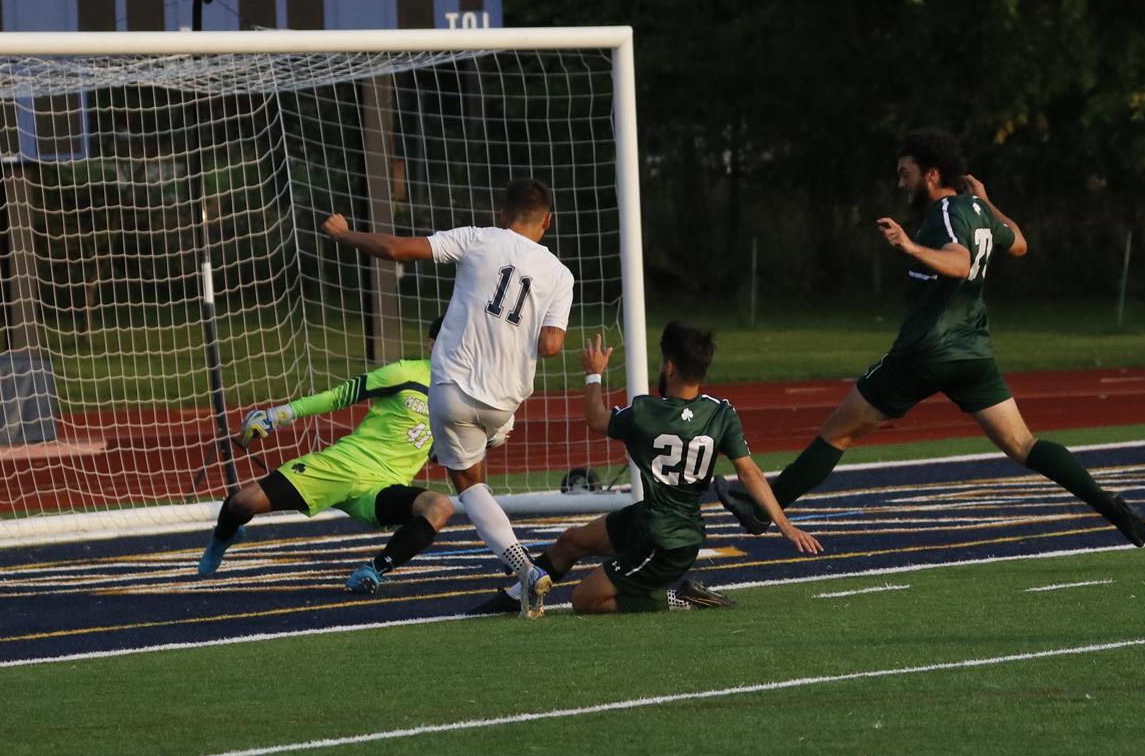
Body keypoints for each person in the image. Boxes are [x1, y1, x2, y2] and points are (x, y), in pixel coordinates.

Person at [714, 130, 1145, 546]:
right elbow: (1019, 244)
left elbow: (959, 263)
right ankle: (1106, 504)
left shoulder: (944, 213)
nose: (900, 183)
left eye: (906, 173)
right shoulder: (977, 210)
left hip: (926, 351)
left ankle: (760, 510)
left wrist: (909, 247)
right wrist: (988, 201)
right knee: (1023, 445)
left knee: (837, 433)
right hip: (973, 354)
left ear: (932, 173)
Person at [322, 177, 573, 618]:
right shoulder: (560, 274)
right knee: (481, 446)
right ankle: (487, 439)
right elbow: (551, 345)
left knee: (468, 485)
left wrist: (345, 235)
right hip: (504, 400)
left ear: (502, 214)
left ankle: (525, 569)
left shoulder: (477, 238)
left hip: (453, 391)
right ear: (547, 222)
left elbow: (395, 249)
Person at [472, 322, 820, 617]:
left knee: (585, 600)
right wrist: (785, 526)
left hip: (666, 540)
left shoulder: (646, 413)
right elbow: (750, 473)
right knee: (572, 540)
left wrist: (593, 373)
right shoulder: (721, 413)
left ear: (669, 367)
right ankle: (519, 593)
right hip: (657, 519)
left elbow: (595, 419)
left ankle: (680, 598)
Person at [198, 318, 458, 593]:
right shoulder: (405, 372)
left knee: (440, 506)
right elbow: (339, 396)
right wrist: (277, 415)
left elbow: (448, 451)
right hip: (341, 465)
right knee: (242, 502)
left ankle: (373, 571)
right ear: (431, 345)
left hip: (383, 488)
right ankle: (223, 536)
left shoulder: (465, 398)